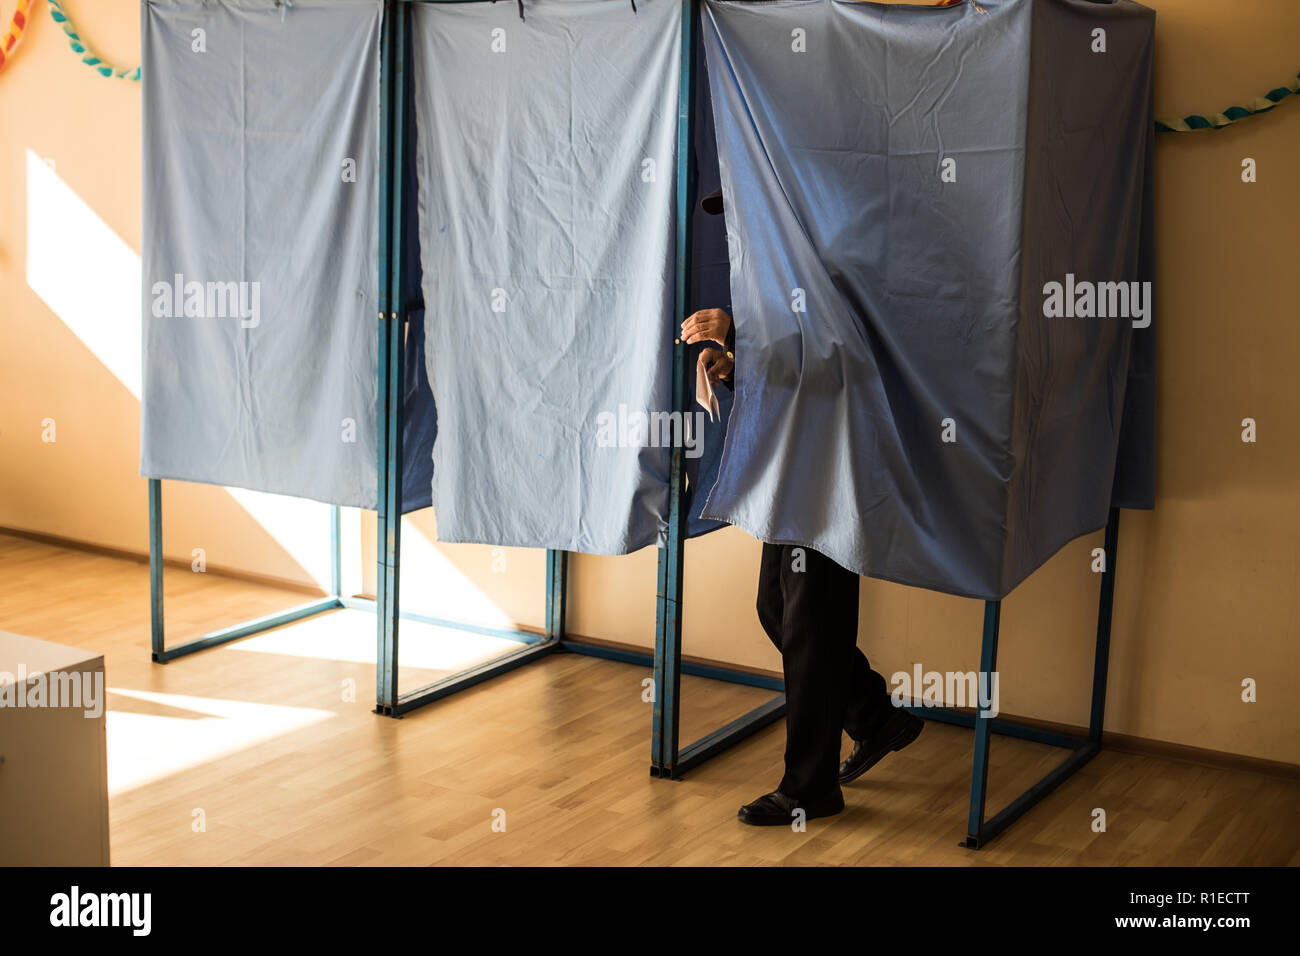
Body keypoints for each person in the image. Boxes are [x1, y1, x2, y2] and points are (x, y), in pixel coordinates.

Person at [681, 187, 924, 827]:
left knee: (811, 623)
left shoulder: (829, 262)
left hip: (831, 471)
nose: (737, 222)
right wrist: (733, 364)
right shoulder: (772, 266)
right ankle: (874, 715)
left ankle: (810, 788)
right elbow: (791, 365)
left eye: (742, 205)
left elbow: (836, 350)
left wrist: (737, 331)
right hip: (795, 469)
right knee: (778, 608)